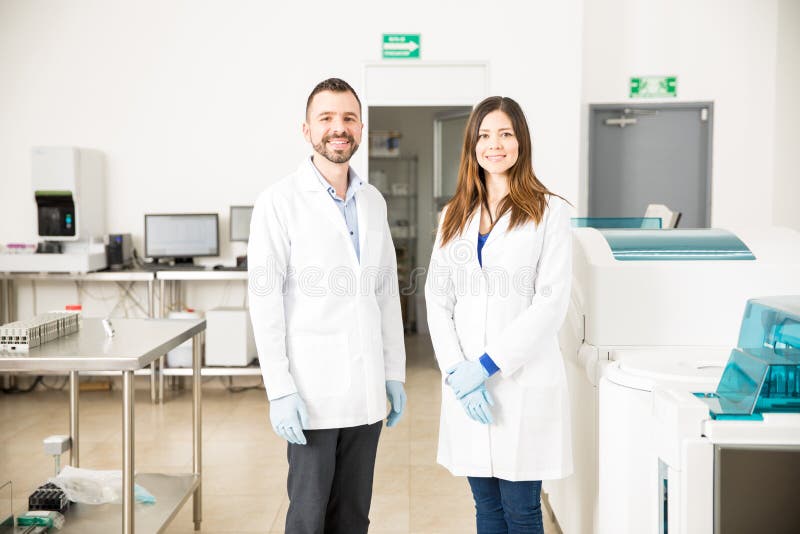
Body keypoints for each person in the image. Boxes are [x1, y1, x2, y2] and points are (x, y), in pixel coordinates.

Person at [248, 77, 407, 534]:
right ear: (306, 130)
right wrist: (279, 389)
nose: (339, 127)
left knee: (354, 516)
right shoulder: (278, 202)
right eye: (327, 118)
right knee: (308, 516)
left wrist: (393, 372)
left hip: (366, 390)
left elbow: (385, 295)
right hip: (311, 393)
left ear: (360, 128)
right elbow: (265, 302)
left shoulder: (372, 201)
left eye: (348, 118)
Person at [425, 96, 573, 534]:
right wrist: (457, 371)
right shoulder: (454, 215)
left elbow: (550, 303)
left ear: (521, 142)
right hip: (468, 389)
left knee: (521, 510)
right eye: (484, 135)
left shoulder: (549, 211)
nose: (495, 144)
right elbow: (438, 301)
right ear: (472, 145)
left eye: (505, 134)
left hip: (520, 382)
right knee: (485, 508)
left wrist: (485, 366)